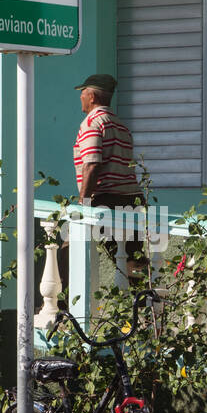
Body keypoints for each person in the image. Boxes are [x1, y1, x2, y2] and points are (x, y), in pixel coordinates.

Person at [71, 73, 147, 284]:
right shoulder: (121, 125)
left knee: (69, 248)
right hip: (132, 200)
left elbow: (92, 163)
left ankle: (63, 308)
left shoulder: (92, 122)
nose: (80, 98)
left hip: (107, 199)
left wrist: (82, 204)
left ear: (92, 97)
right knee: (133, 262)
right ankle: (145, 309)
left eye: (82, 94)